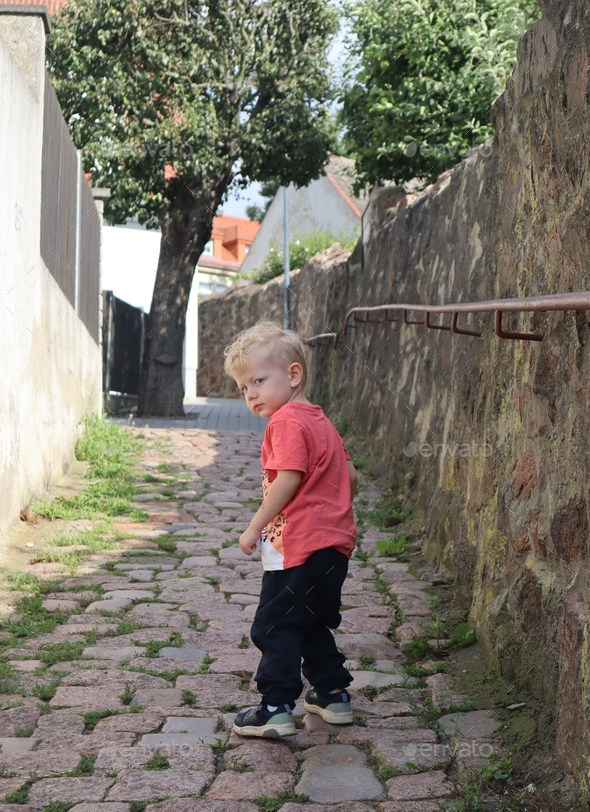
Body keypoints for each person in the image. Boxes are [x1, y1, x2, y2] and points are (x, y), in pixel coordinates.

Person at [222, 319, 358, 738]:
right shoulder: (322, 421)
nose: (251, 394)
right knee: (311, 621)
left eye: (259, 381)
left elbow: (288, 478)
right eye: (244, 387)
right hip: (334, 548)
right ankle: (331, 694)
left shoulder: (285, 422)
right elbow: (350, 476)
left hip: (299, 547)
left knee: (276, 624)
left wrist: (253, 527)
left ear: (293, 374)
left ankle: (276, 708)